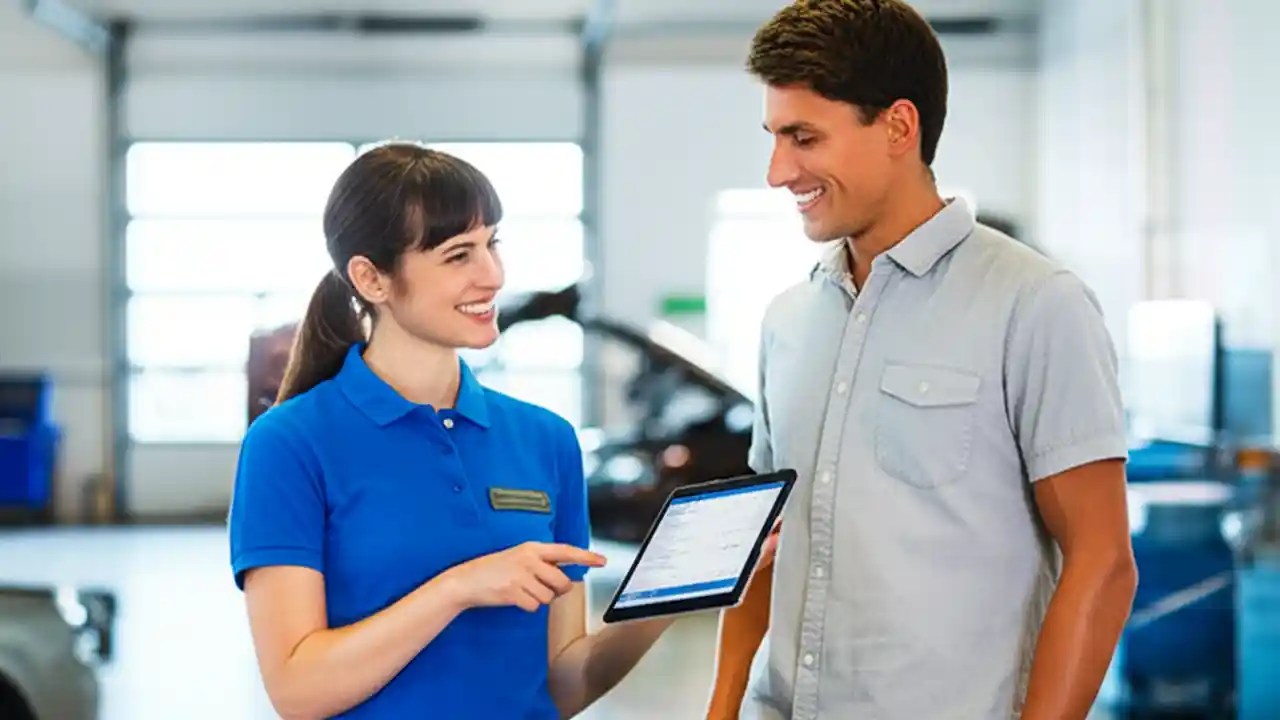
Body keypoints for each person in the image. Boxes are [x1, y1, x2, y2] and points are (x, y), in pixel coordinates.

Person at [706, 2, 1138, 719]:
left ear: (899, 127)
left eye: (804, 137)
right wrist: (721, 709)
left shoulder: (1035, 304)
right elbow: (768, 546)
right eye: (775, 138)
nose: (779, 171)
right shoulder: (786, 320)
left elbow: (1102, 563)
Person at [227, 142, 674, 719]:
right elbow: (297, 690)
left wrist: (666, 597)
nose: (492, 275)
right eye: (458, 254)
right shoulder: (289, 444)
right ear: (371, 277)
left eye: (492, 244)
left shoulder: (547, 440)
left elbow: (562, 684)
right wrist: (458, 588)